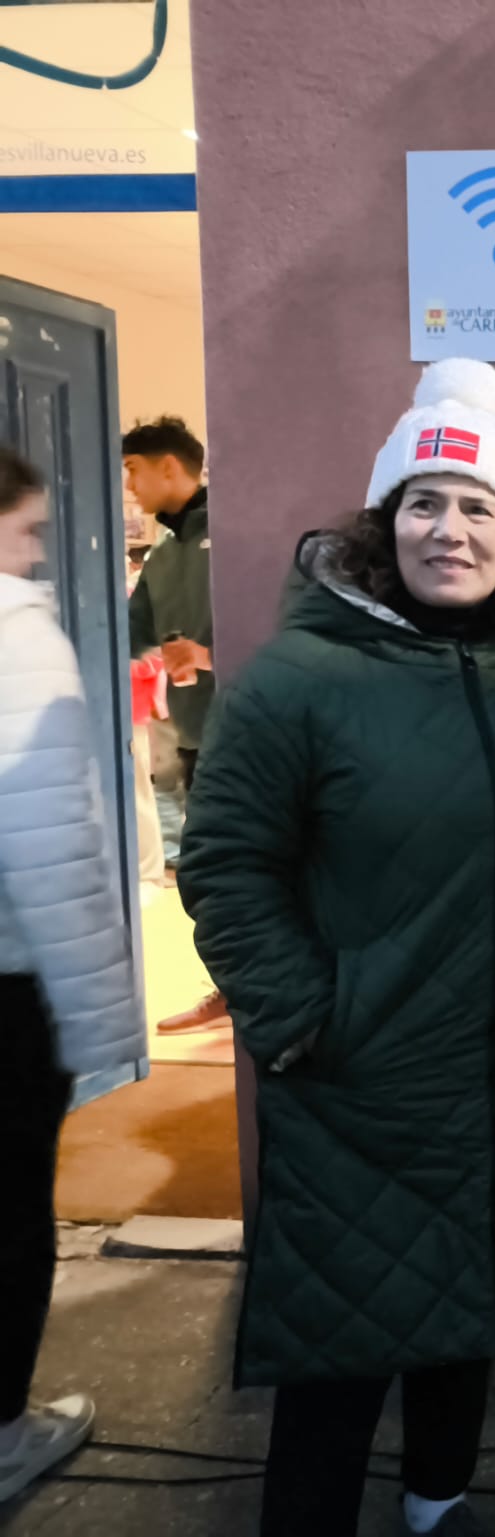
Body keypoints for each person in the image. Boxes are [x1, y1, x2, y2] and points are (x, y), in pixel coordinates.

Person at [177, 360, 495, 1537]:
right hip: (362, 1081)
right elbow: (225, 864)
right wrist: (303, 1016)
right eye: (425, 502)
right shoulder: (298, 680)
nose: (451, 528)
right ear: (385, 524)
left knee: (469, 1305)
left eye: (480, 508)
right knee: (343, 1340)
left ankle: (439, 1502)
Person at [0, 447, 146, 1503]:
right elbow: (50, 853)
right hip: (7, 992)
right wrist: (103, 1028)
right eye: (28, 530)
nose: (37, 552)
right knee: (10, 1217)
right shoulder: (14, 640)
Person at [122, 415, 225, 1030]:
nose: (129, 488)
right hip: (191, 738)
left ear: (169, 466)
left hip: (248, 735)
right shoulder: (162, 553)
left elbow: (282, 626)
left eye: (134, 471)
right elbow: (129, 631)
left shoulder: (236, 531)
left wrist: (210, 655)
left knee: (255, 871)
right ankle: (229, 987)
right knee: (207, 875)